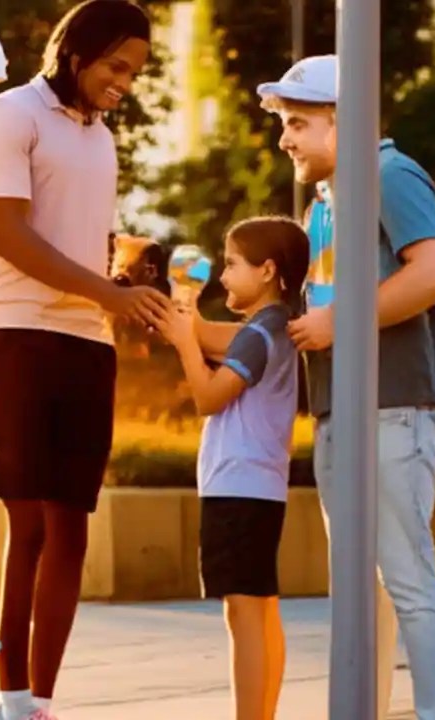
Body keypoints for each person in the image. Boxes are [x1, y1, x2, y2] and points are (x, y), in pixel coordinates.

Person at [197, 54, 435, 720]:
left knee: (407, 583)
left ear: (344, 120)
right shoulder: (324, 208)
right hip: (341, 412)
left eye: (299, 122)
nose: (285, 138)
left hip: (395, 408)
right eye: (284, 122)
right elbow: (291, 325)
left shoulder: (387, 174)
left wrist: (340, 321)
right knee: (358, 594)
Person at [0, 2, 174, 718]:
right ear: (76, 54)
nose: (125, 82)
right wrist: (104, 292)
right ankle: (11, 699)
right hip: (19, 336)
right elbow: (9, 236)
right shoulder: (10, 114)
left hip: (90, 343)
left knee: (72, 526)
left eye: (136, 71)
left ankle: (42, 704)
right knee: (26, 523)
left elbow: (85, 239)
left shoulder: (102, 137)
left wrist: (131, 290)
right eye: (117, 66)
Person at [156, 217, 309, 720]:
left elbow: (207, 397)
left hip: (237, 487)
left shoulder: (256, 337)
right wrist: (183, 298)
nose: (223, 276)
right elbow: (199, 331)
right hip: (260, 487)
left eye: (232, 265)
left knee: (242, 612)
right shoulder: (274, 328)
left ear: (267, 270)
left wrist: (183, 342)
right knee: (261, 609)